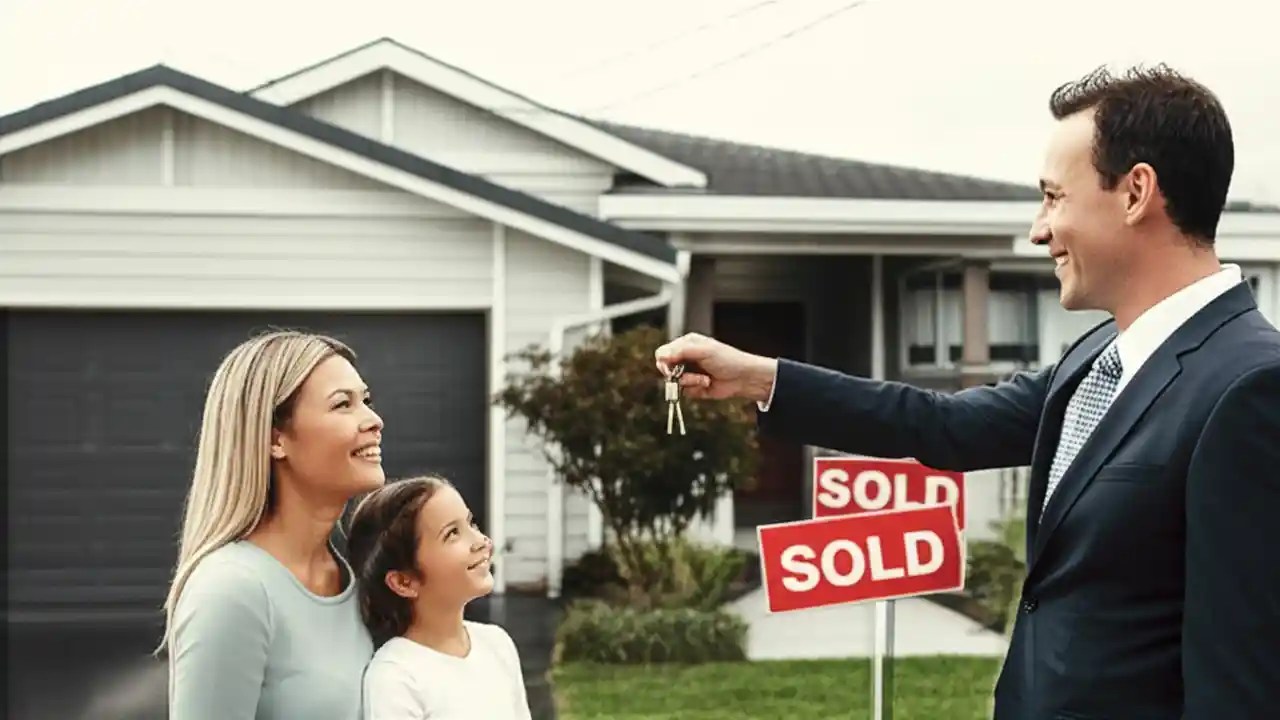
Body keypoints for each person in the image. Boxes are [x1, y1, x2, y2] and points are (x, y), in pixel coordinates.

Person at [656, 64, 1280, 719]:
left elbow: (1242, 682)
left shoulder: (1251, 389)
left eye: (1053, 198)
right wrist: (758, 378)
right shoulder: (1099, 355)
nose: (1039, 230)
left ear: (1135, 193)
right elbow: (940, 424)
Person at [162, 330, 384, 720]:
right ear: (275, 439)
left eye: (365, 400)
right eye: (342, 405)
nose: (373, 420)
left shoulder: (357, 577)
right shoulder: (232, 590)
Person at [346, 475, 531, 720]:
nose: (482, 541)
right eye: (453, 533)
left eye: (471, 523)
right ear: (404, 582)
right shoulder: (396, 677)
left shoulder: (498, 645)